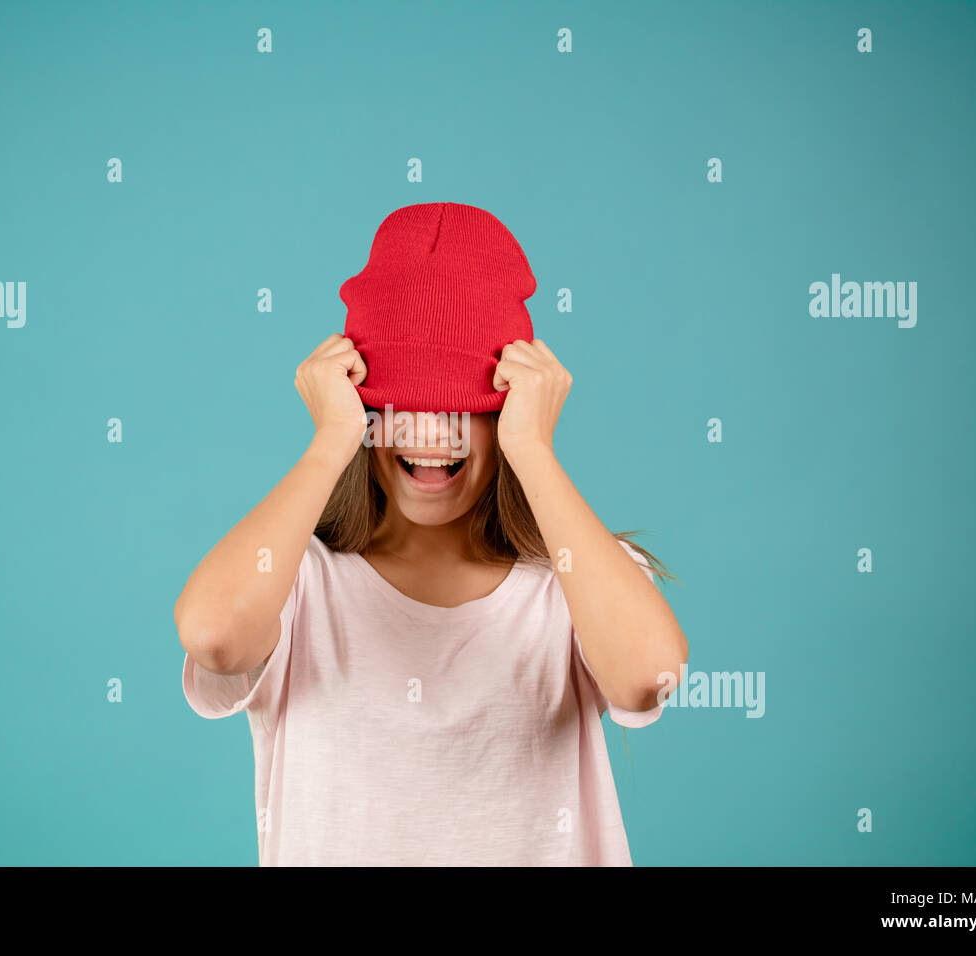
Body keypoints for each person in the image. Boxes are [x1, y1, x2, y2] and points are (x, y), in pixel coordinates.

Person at [174, 201, 689, 865]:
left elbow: (648, 676)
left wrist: (532, 448)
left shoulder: (575, 577)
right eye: (399, 403)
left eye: (463, 407)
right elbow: (214, 637)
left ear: (506, 408)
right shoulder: (297, 582)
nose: (429, 432)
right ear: (360, 407)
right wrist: (333, 437)